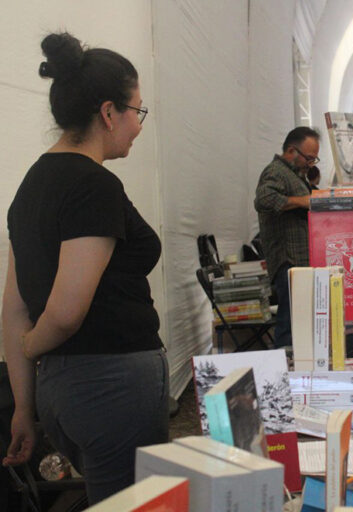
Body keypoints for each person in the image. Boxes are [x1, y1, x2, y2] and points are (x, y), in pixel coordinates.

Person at [2, 32, 168, 504]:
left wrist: (24, 406)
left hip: (68, 392)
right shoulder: (93, 186)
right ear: (109, 112)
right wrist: (32, 347)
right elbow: (64, 310)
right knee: (131, 503)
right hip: (109, 388)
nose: (138, 125)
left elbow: (13, 307)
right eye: (137, 110)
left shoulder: (30, 188)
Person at [255, 127, 319, 348]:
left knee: (298, 324)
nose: (311, 164)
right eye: (309, 158)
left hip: (298, 261)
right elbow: (264, 199)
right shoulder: (276, 171)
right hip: (288, 261)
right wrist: (303, 202)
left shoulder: (294, 175)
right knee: (290, 327)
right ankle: (284, 374)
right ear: (292, 150)